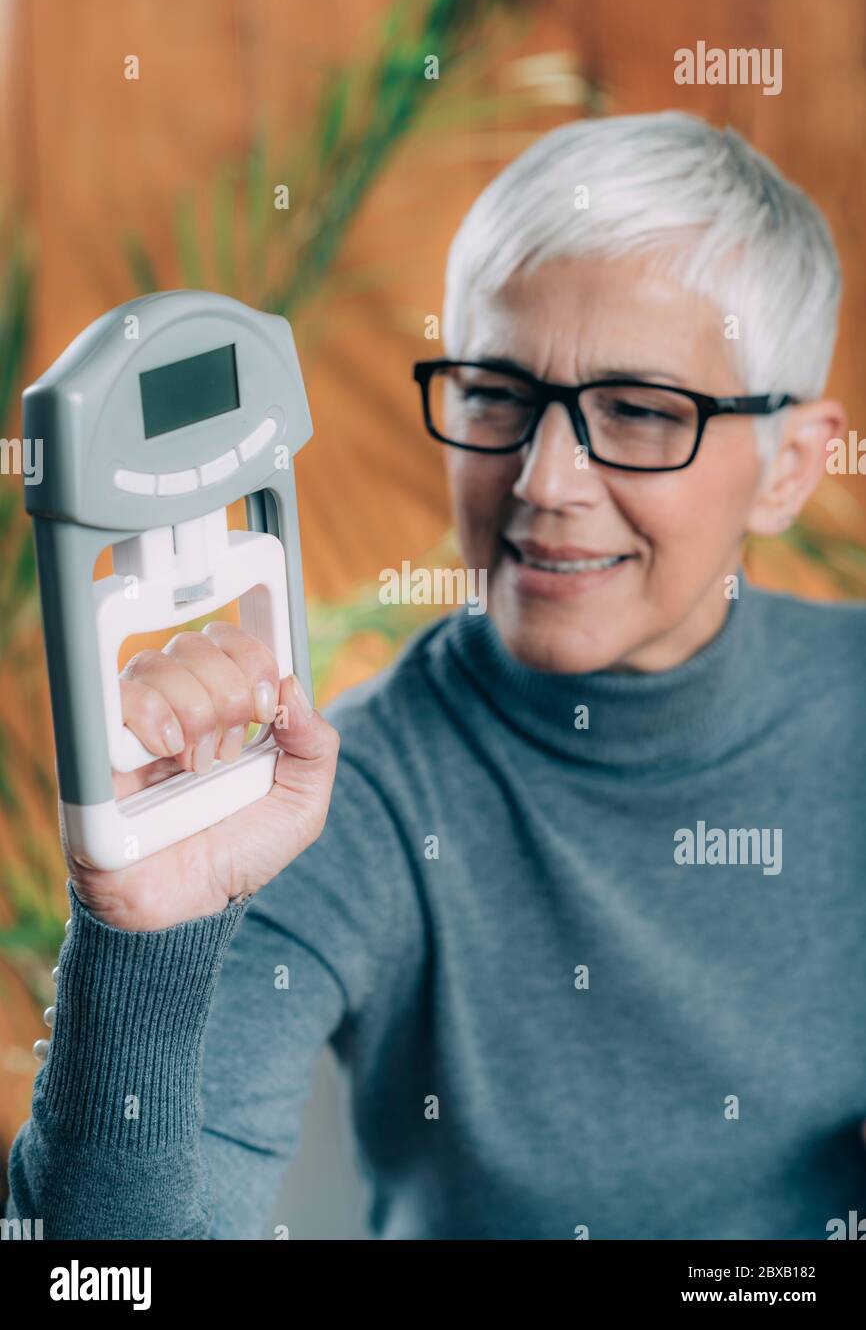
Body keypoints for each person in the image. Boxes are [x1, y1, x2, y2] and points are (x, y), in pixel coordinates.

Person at [6, 110, 865, 1241]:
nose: (545, 480)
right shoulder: (332, 803)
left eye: (641, 413)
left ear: (788, 466)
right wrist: (142, 944)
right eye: (496, 394)